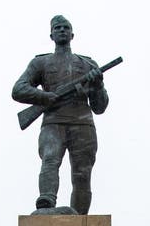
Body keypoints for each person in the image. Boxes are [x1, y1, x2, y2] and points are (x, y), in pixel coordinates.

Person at [12, 15, 109, 215]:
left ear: (72, 34)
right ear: (51, 35)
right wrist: (45, 96)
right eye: (58, 28)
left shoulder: (88, 64)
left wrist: (98, 85)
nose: (62, 30)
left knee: (82, 174)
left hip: (83, 124)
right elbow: (18, 89)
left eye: (66, 27)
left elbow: (100, 107)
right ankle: (47, 200)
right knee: (50, 159)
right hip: (53, 122)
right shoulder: (40, 62)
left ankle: (80, 218)